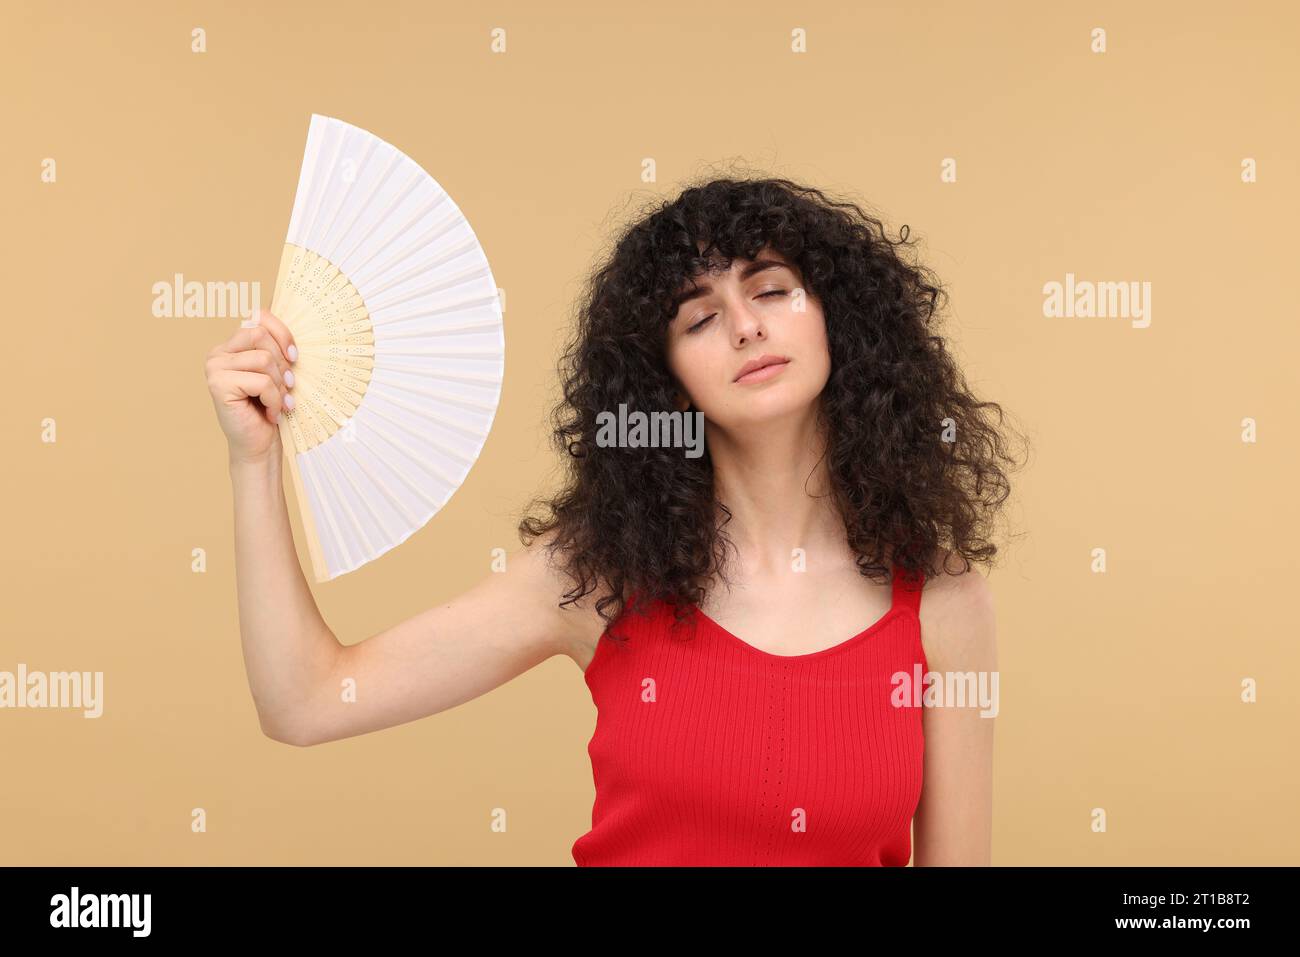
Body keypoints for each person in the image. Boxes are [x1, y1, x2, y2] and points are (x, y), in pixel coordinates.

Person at [204, 176, 1023, 866]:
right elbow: (303, 702)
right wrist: (255, 463)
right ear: (664, 382)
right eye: (699, 318)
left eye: (772, 289)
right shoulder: (596, 575)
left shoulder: (945, 606)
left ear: (839, 317)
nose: (746, 325)